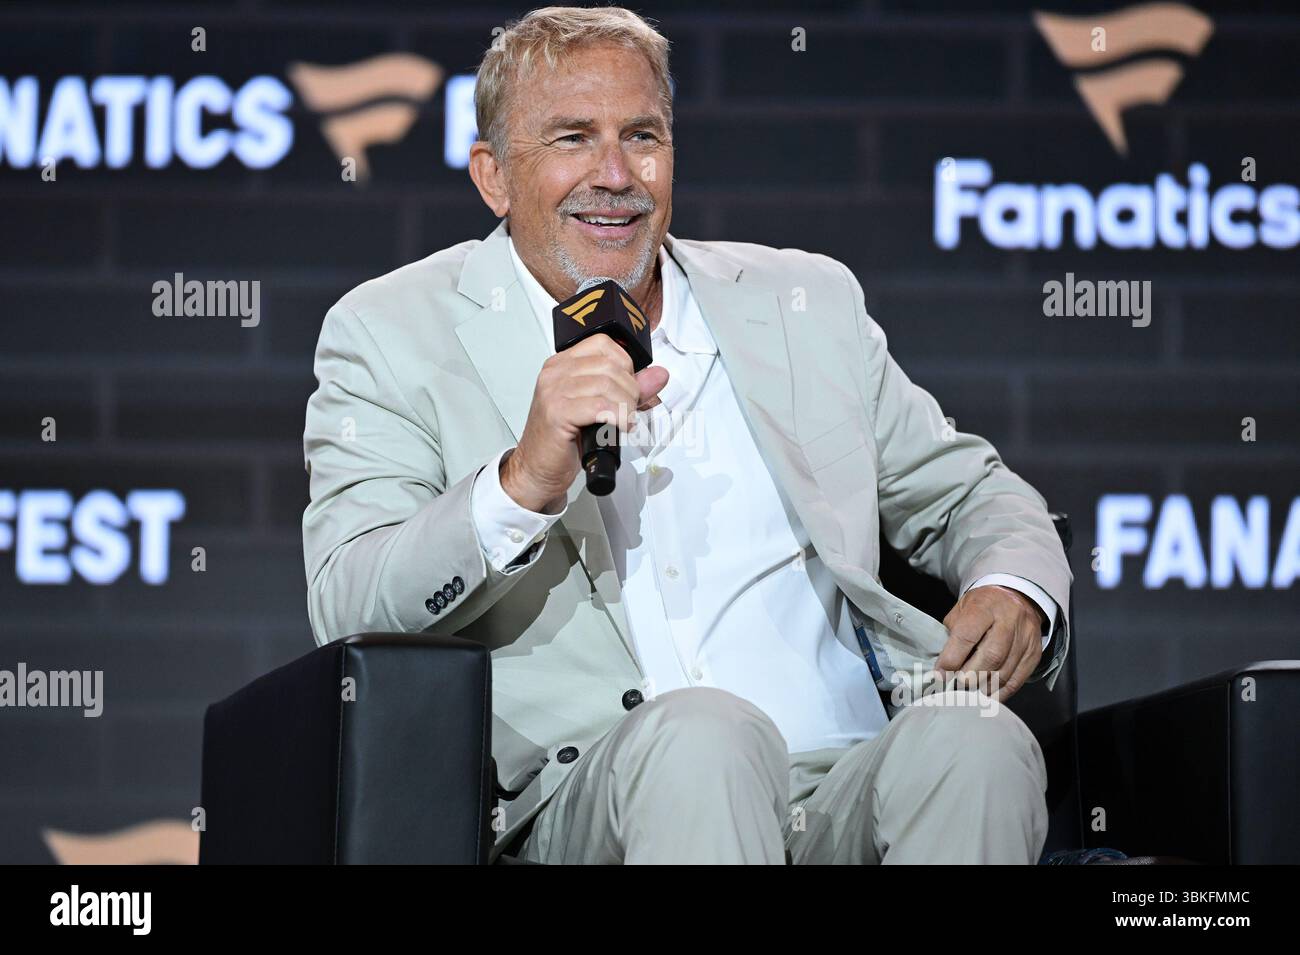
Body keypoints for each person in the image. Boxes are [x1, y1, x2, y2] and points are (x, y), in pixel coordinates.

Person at [302, 6, 1072, 864]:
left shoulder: (800, 302)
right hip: (601, 795)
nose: (616, 173)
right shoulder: (392, 329)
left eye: (642, 135)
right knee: (704, 737)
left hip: (846, 779)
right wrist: (520, 484)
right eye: (570, 139)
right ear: (493, 176)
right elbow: (352, 600)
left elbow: (970, 489)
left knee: (978, 741)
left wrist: (1014, 586)